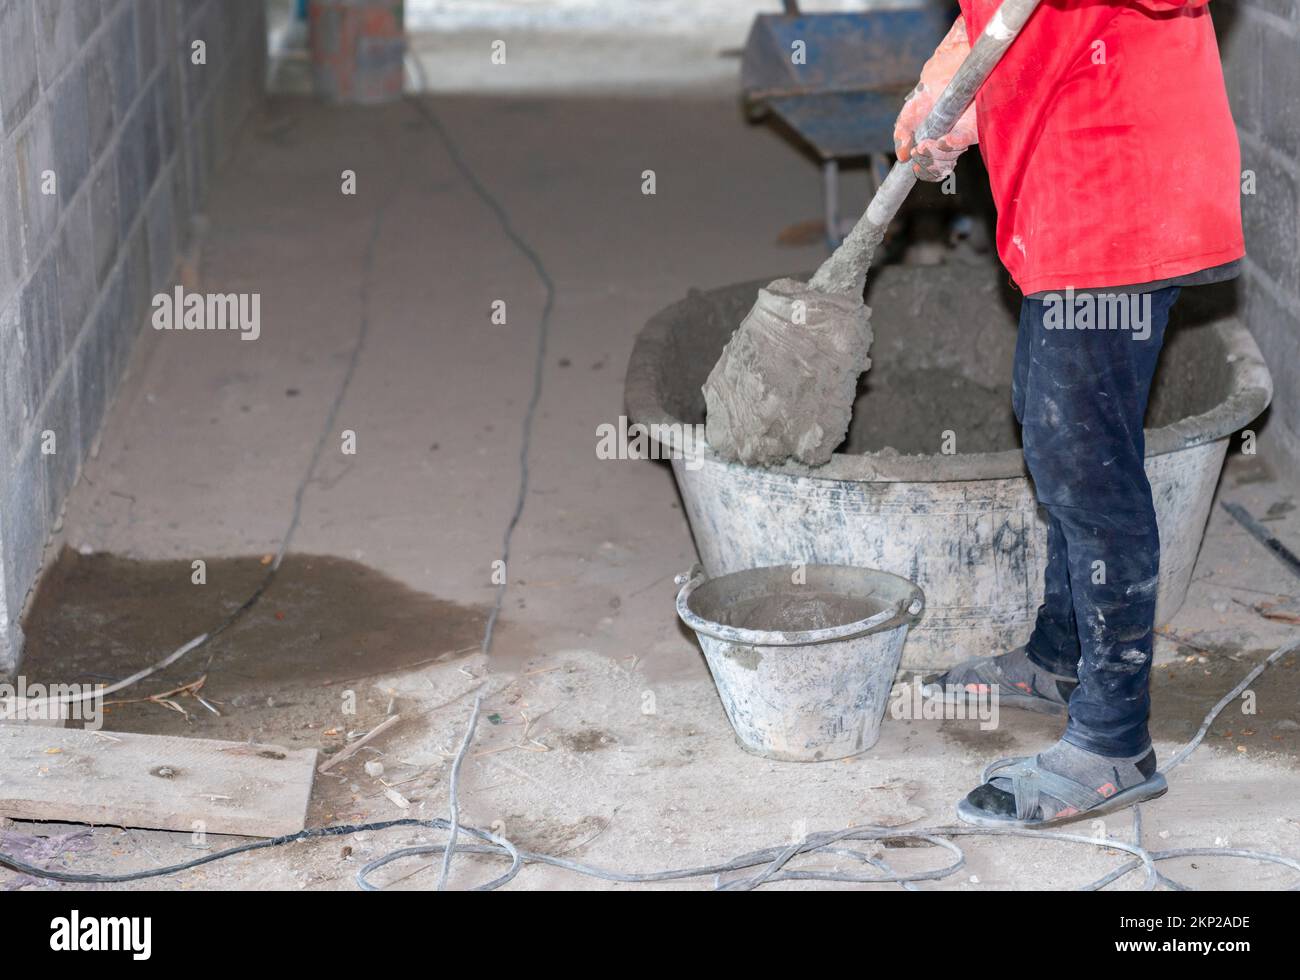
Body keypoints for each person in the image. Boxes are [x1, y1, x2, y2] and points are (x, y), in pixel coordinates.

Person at [895, 0, 1244, 827]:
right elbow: (1000, 18)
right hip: (1061, 187)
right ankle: (1060, 656)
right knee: (1055, 431)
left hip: (1122, 186)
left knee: (1084, 462)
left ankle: (1113, 741)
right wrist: (947, 93)